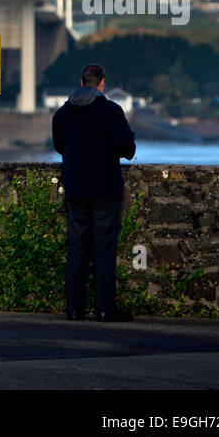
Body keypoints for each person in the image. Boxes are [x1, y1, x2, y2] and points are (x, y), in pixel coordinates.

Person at [51, 63, 136, 322]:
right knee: (104, 249)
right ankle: (104, 309)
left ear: (81, 82)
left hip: (76, 188)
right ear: (102, 84)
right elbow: (128, 148)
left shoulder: (62, 114)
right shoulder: (111, 111)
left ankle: (74, 309)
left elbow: (59, 146)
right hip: (105, 189)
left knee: (77, 248)